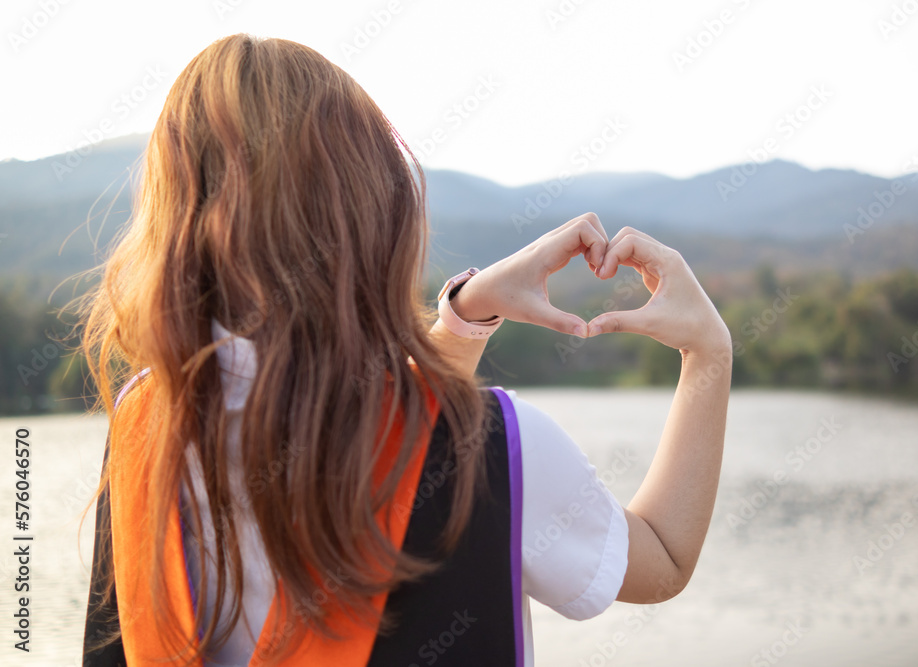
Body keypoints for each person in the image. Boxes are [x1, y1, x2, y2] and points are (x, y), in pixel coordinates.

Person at [80, 34, 731, 667]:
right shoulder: (502, 451)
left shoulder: (144, 422)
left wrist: (468, 315)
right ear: (375, 212)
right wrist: (708, 352)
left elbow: (393, 436)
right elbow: (663, 557)